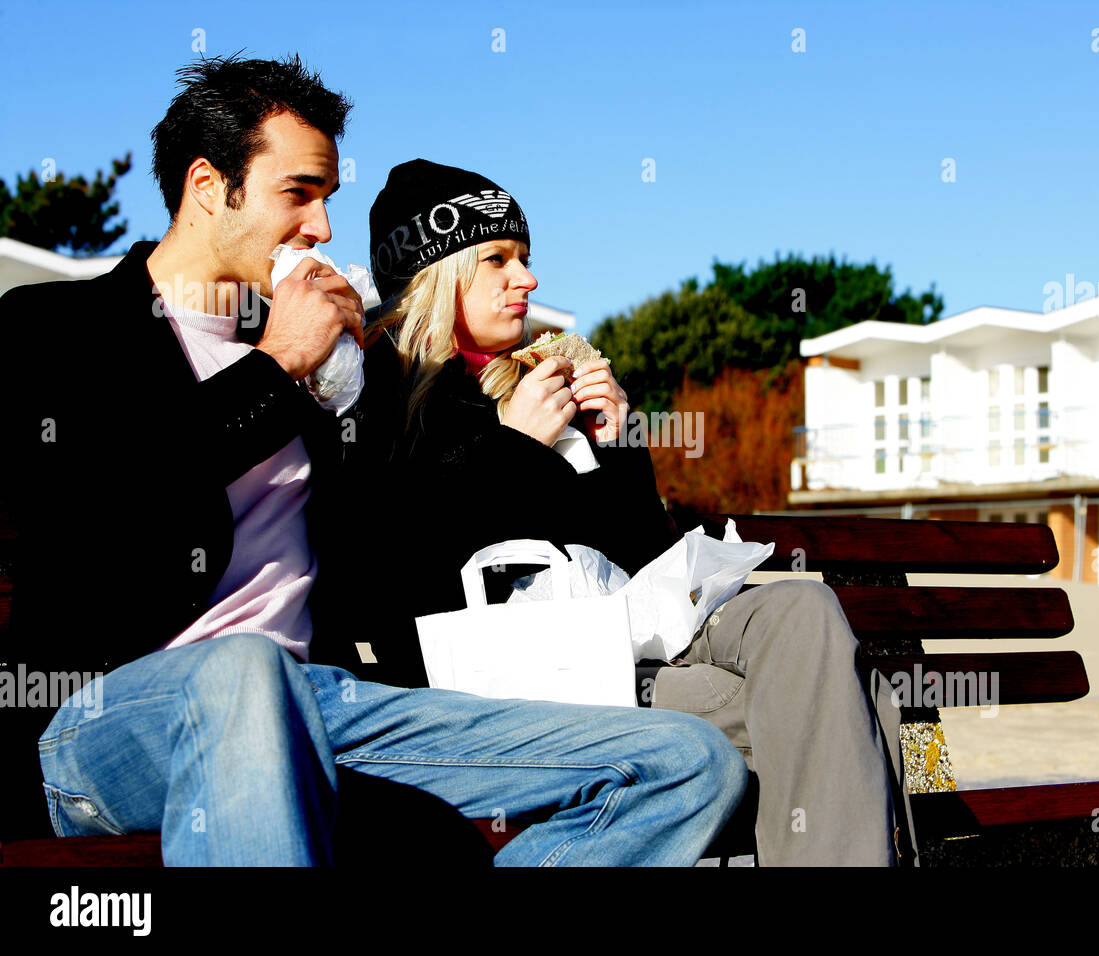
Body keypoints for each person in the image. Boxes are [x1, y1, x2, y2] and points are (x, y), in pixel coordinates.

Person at [0, 55, 748, 866]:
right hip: (109, 717)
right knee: (245, 671)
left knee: (684, 765)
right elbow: (106, 510)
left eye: (328, 199)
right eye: (299, 194)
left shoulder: (325, 355)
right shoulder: (55, 328)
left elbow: (399, 547)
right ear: (210, 186)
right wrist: (277, 369)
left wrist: (594, 444)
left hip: (326, 704)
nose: (322, 227)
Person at [348, 159, 904, 866]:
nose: (529, 278)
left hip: (629, 649)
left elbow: (640, 564)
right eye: (499, 259)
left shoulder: (546, 382)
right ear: (437, 272)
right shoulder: (379, 392)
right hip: (525, 688)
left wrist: (616, 448)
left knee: (803, 609)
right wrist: (515, 448)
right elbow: (400, 586)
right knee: (860, 711)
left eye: (526, 257)